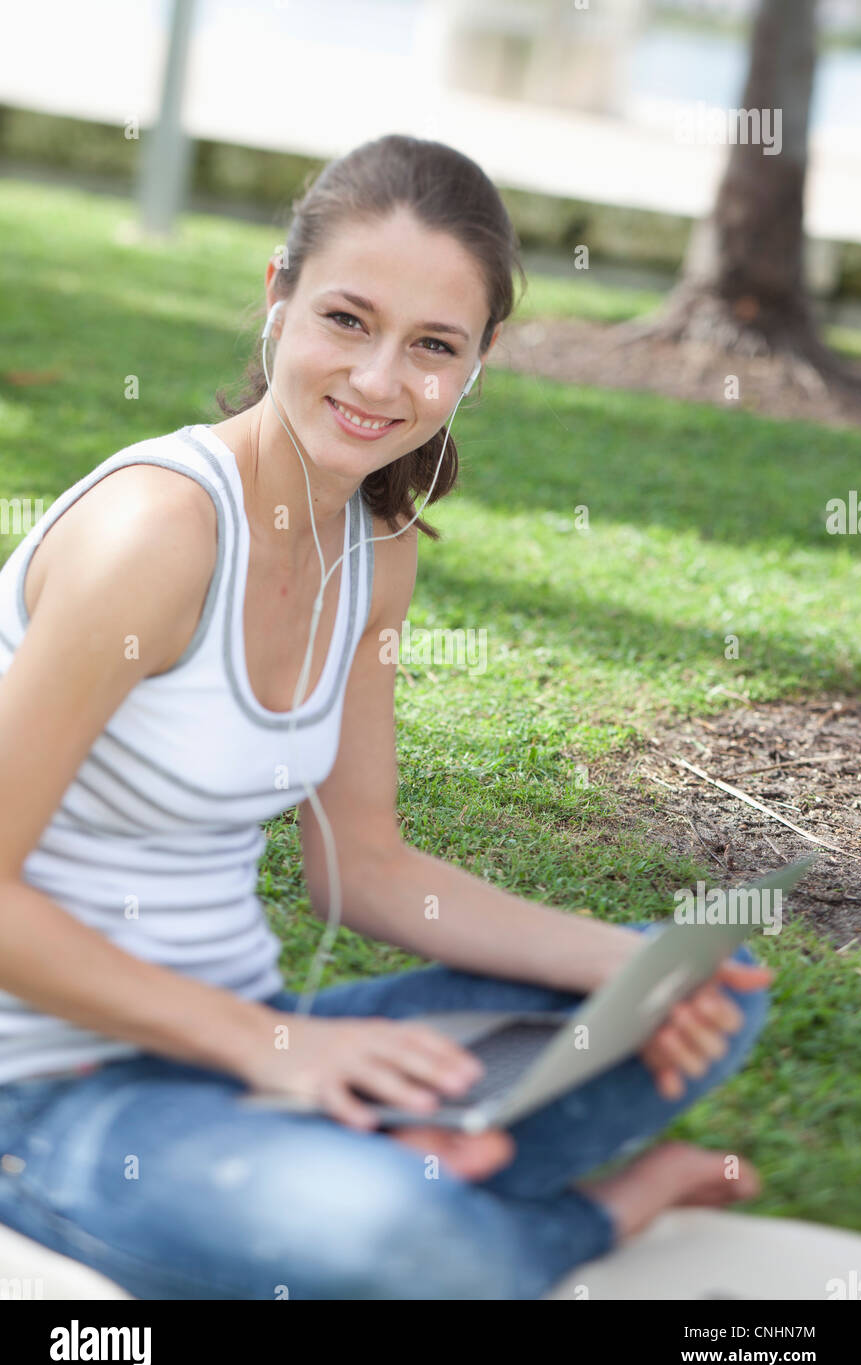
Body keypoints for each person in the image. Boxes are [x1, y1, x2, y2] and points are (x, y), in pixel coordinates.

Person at [0, 135, 772, 1300]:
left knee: (709, 989)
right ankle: (573, 1211)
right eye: (347, 320)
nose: (376, 381)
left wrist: (632, 970)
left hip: (245, 1048)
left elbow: (359, 868)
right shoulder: (153, 535)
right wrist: (287, 1050)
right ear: (277, 297)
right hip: (52, 1093)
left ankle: (364, 1161)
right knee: (397, 1248)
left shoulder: (375, 549)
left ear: (479, 362)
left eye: (431, 347)